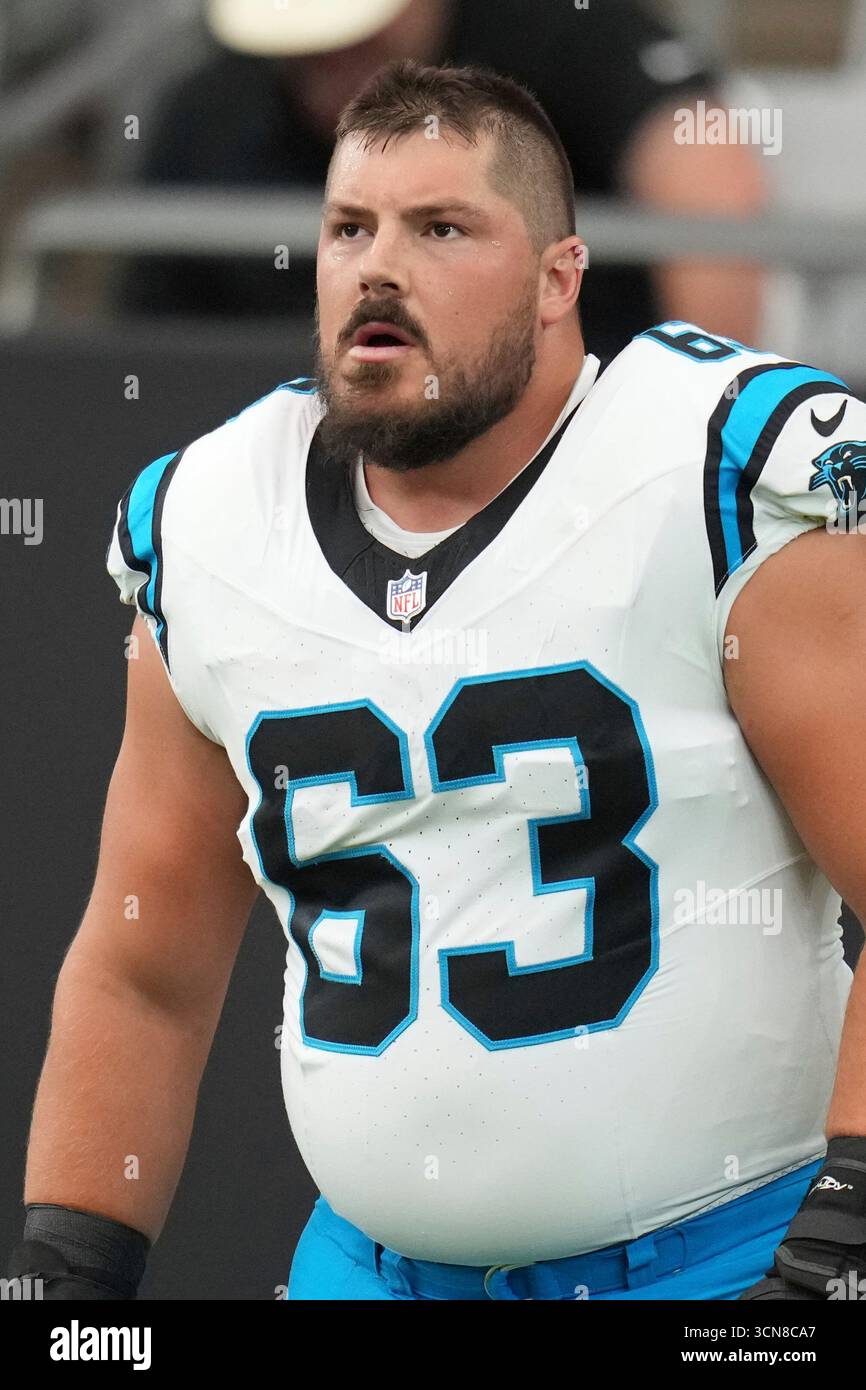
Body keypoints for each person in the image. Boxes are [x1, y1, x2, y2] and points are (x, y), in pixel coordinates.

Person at [9, 59, 866, 1302]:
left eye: (440, 227)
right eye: (349, 226)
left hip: (716, 1263)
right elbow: (147, 963)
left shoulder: (715, 477)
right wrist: (67, 1272)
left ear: (560, 278)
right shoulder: (210, 522)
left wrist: (840, 1237)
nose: (377, 265)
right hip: (366, 1272)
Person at [118, 0, 767, 363]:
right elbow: (142, 345)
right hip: (305, 473)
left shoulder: (570, 34)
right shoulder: (209, 104)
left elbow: (711, 196)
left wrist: (695, 419)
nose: (330, 65)